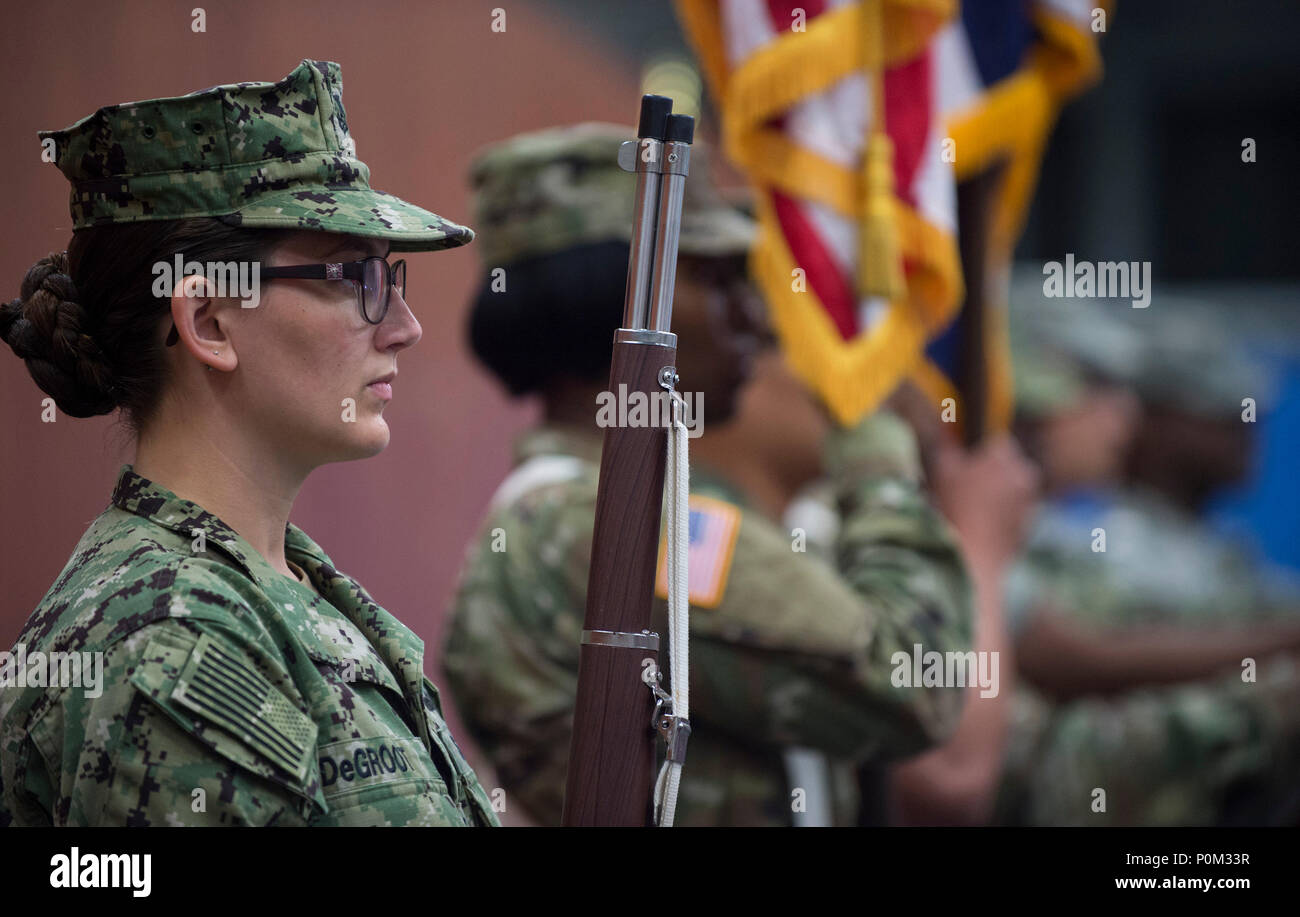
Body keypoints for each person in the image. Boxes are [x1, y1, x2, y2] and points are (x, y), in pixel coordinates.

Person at [0, 60, 498, 827]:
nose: (404, 325)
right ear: (208, 322)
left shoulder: (281, 587)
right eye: (354, 275)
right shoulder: (171, 641)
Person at [442, 123, 974, 826]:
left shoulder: (632, 504)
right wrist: (876, 456)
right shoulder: (605, 521)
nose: (753, 320)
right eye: (718, 283)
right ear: (622, 307)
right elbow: (908, 682)